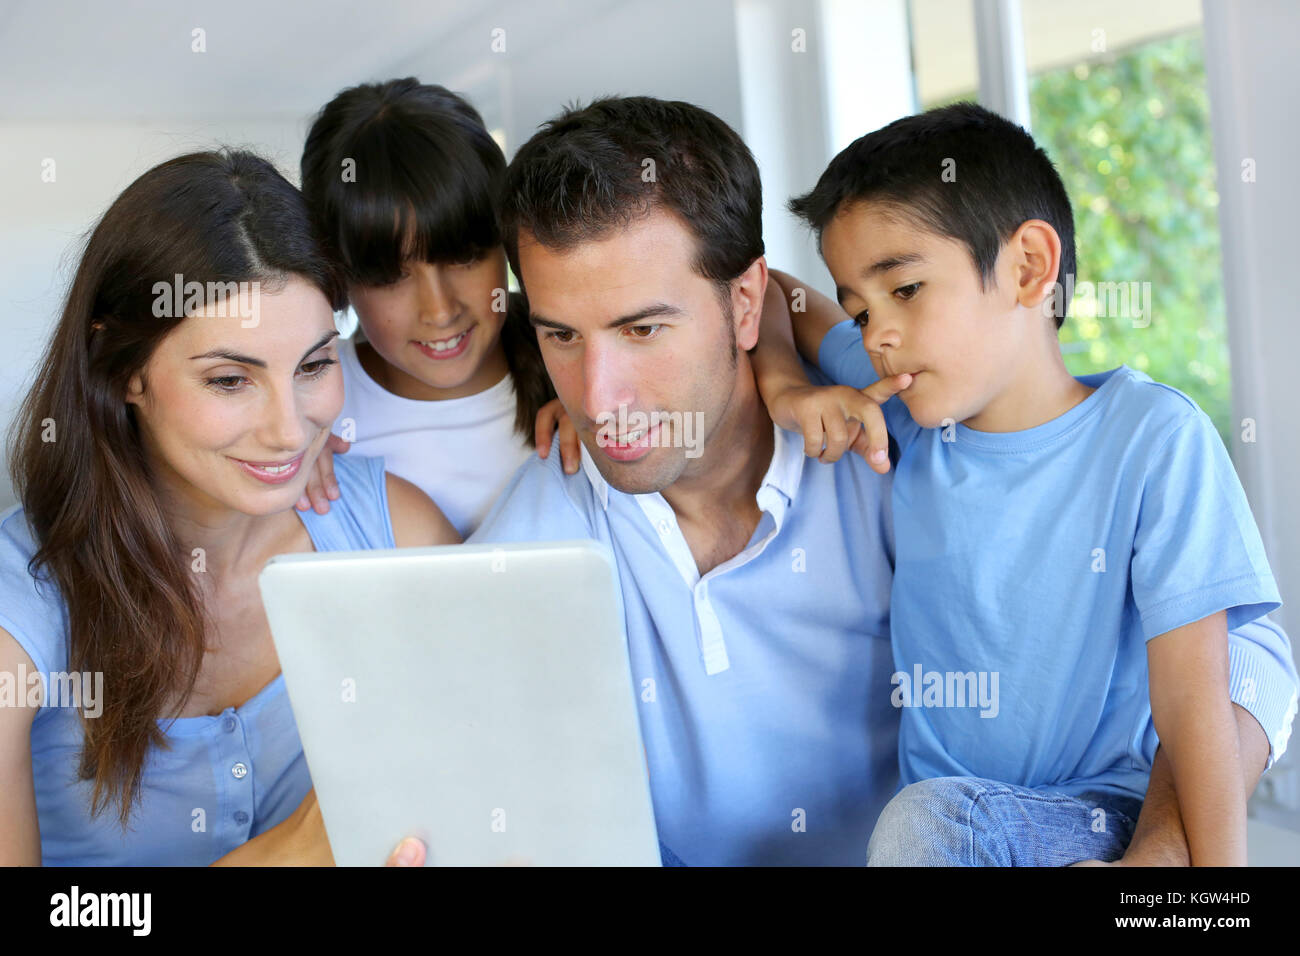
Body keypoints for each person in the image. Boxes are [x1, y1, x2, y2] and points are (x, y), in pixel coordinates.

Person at [751, 102, 1297, 865]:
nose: (875, 335)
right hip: (959, 831)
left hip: (1098, 812)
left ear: (1030, 267)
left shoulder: (1152, 439)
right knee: (926, 821)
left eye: (904, 290)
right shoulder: (910, 412)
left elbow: (1192, 704)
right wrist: (788, 390)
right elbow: (774, 291)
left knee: (923, 821)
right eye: (859, 309)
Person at [0, 149, 458, 866]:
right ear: (122, 370)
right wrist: (290, 854)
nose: (288, 429)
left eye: (312, 366)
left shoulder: (401, 538)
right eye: (229, 380)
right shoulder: (18, 609)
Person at [297, 78, 579, 534]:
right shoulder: (307, 420)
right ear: (338, 277)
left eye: (463, 257)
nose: (440, 310)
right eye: (392, 277)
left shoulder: (583, 372)